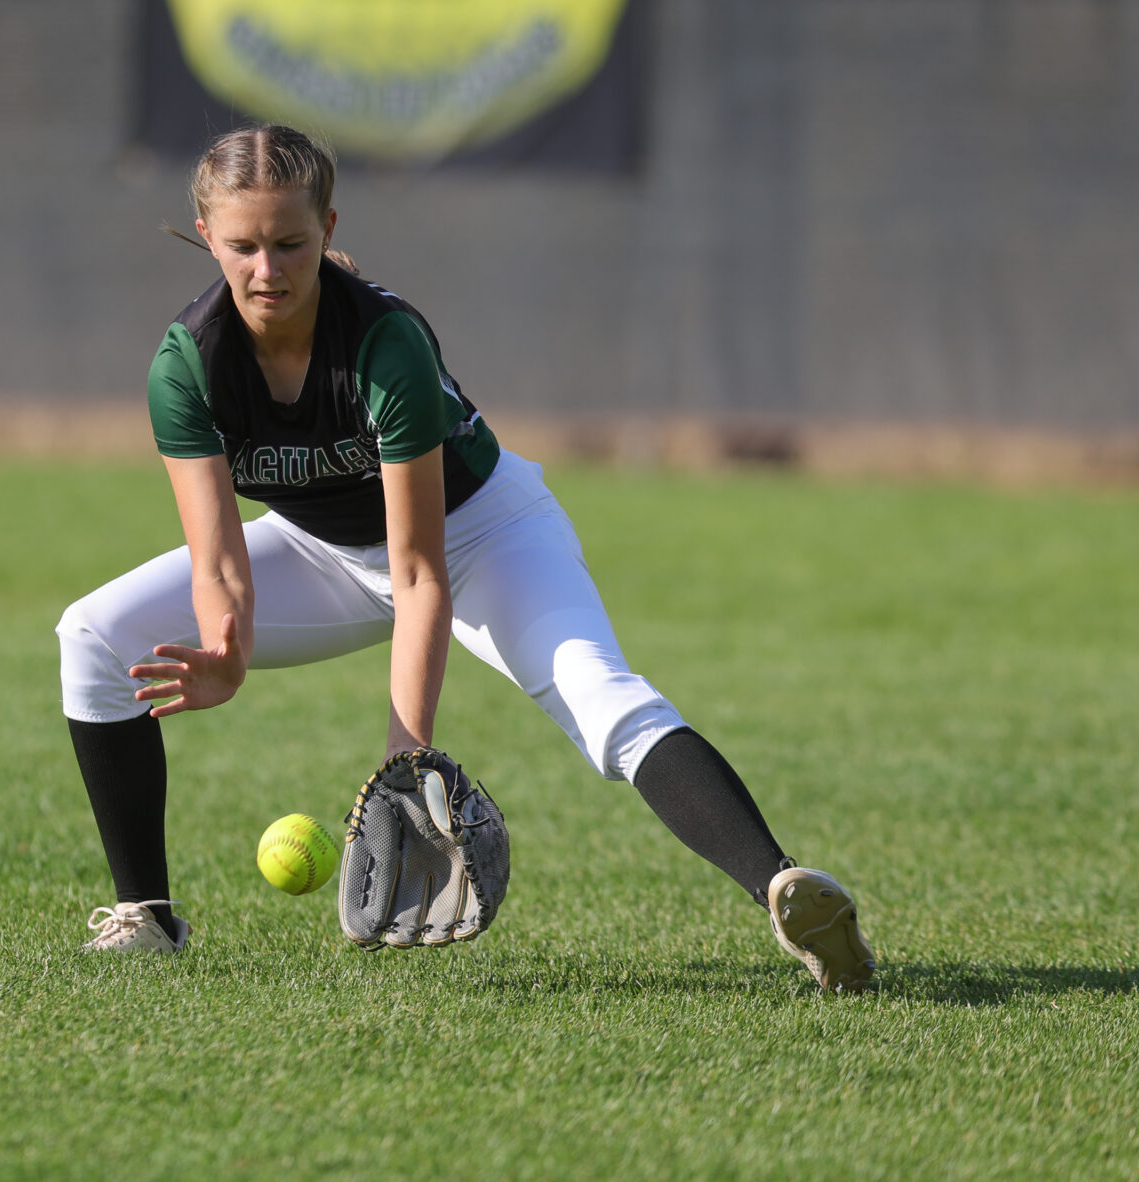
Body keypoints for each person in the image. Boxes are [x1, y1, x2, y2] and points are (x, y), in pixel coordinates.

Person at [56, 123, 876, 992]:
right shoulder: (187, 363)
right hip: (318, 549)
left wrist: (403, 766)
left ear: (328, 228)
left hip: (483, 533)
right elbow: (218, 558)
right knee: (94, 635)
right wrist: (227, 646)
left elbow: (417, 572)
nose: (269, 269)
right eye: (243, 246)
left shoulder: (383, 343)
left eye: (291, 242)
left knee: (603, 698)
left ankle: (785, 887)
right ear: (205, 238)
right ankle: (146, 916)